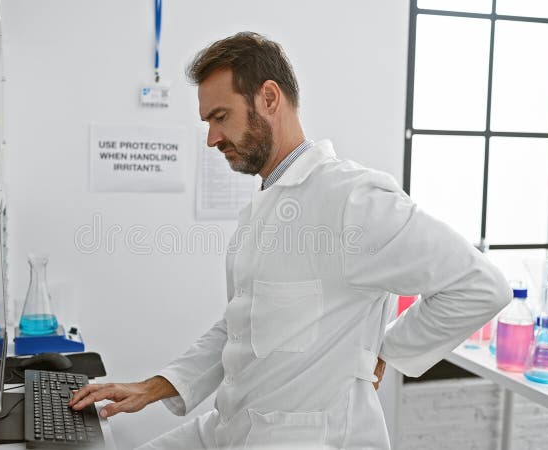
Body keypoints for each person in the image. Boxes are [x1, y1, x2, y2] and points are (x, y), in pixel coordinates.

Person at [69, 31, 510, 449]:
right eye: (208, 122)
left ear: (268, 98)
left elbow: (480, 287)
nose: (212, 139)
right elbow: (241, 325)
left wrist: (386, 351)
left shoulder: (353, 199)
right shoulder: (266, 205)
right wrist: (154, 386)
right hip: (232, 427)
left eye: (220, 117)